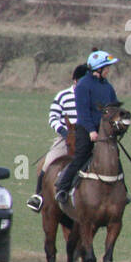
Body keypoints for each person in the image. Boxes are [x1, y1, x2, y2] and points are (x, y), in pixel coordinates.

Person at [54, 50, 119, 207]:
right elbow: (83, 113)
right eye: (107, 67)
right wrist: (91, 131)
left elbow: (114, 106)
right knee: (81, 158)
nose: (109, 70)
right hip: (86, 130)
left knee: (114, 157)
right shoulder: (83, 85)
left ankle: (122, 189)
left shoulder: (107, 86)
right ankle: (62, 187)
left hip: (104, 132)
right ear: (98, 69)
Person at [26, 62, 88, 212]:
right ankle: (38, 196)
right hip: (66, 138)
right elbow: (53, 117)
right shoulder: (63, 96)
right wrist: (64, 132)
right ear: (75, 80)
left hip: (87, 138)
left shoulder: (91, 97)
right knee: (48, 163)